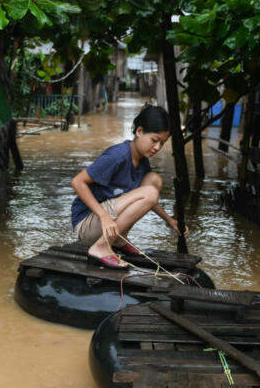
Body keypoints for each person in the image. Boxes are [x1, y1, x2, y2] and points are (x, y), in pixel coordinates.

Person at [70, 104, 186, 269]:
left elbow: (145, 199)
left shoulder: (142, 161)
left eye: (162, 143)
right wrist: (103, 216)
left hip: (107, 223)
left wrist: (169, 221)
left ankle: (118, 239)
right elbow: (77, 182)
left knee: (154, 180)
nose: (157, 148)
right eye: (154, 140)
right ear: (139, 131)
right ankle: (101, 247)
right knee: (151, 190)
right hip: (87, 224)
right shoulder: (117, 156)